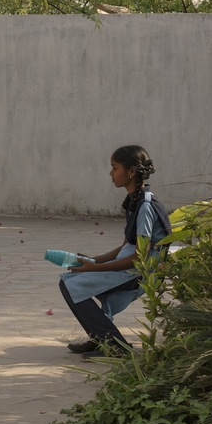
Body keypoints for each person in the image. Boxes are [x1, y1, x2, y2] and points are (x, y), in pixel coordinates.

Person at [58, 144, 171, 358]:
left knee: (70, 285)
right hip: (129, 267)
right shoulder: (136, 201)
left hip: (138, 271)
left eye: (114, 167)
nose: (111, 174)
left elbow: (140, 256)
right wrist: (94, 261)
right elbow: (127, 245)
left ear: (131, 172)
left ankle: (114, 345)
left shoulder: (145, 206)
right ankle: (101, 338)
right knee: (72, 282)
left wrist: (97, 268)